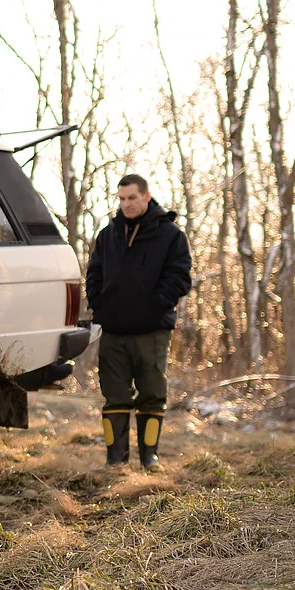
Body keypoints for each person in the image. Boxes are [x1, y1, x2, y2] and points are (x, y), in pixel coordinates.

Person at [85, 173, 192, 468]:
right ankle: (115, 462)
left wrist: (152, 306)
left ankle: (149, 458)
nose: (126, 204)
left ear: (146, 196)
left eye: (132, 198)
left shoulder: (171, 236)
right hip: (114, 331)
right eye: (121, 199)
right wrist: (100, 306)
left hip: (152, 330)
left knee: (152, 394)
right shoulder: (109, 235)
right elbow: (94, 274)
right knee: (114, 395)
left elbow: (179, 279)